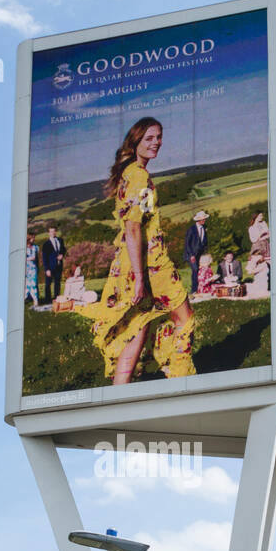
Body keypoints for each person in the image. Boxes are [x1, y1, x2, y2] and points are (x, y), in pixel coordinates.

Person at [84, 116, 194, 383]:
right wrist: (140, 279)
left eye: (159, 137)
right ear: (135, 142)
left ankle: (119, 394)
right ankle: (180, 380)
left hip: (133, 260)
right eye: (149, 138)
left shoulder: (130, 173)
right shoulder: (139, 176)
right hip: (152, 262)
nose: (156, 143)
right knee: (184, 319)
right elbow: (134, 228)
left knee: (139, 326)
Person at [184, 209, 210, 294]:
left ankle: (201, 288)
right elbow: (187, 244)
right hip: (191, 254)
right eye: (202, 219)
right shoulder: (192, 229)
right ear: (198, 220)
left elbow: (204, 242)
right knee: (195, 270)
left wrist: (206, 252)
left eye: (204, 219)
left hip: (200, 254)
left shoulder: (205, 227)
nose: (204, 220)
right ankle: (194, 290)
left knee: (202, 270)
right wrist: (191, 255)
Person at [42, 226, 66, 304]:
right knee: (48, 284)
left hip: (59, 265)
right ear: (48, 233)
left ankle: (56, 298)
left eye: (54, 231)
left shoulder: (60, 240)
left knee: (57, 283)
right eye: (51, 231)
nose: (53, 233)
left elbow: (63, 249)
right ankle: (48, 300)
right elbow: (44, 258)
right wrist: (47, 269)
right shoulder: (46, 244)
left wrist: (62, 254)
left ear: (56, 232)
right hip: (50, 267)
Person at [25, 231, 40, 307]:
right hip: (26, 269)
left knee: (33, 284)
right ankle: (24, 299)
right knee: (26, 285)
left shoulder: (35, 247)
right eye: (32, 237)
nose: (34, 239)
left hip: (33, 268)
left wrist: (38, 268)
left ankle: (35, 301)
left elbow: (36, 258)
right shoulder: (24, 248)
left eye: (34, 237)